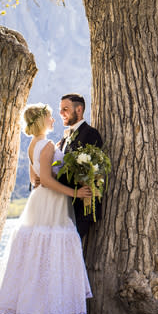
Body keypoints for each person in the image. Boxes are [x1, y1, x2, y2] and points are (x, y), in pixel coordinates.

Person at [0, 103, 92, 314]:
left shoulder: (33, 144)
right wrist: (75, 192)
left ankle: (26, 312)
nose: (53, 120)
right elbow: (46, 180)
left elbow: (34, 178)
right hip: (52, 202)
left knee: (36, 254)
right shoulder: (46, 144)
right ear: (41, 120)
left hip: (38, 201)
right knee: (55, 252)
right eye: (50, 116)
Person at [56, 93, 104, 241]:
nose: (61, 113)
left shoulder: (90, 134)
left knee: (71, 250)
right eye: (60, 109)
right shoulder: (65, 137)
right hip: (66, 205)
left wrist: (51, 182)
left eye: (65, 109)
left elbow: (90, 170)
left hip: (83, 206)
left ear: (79, 110)